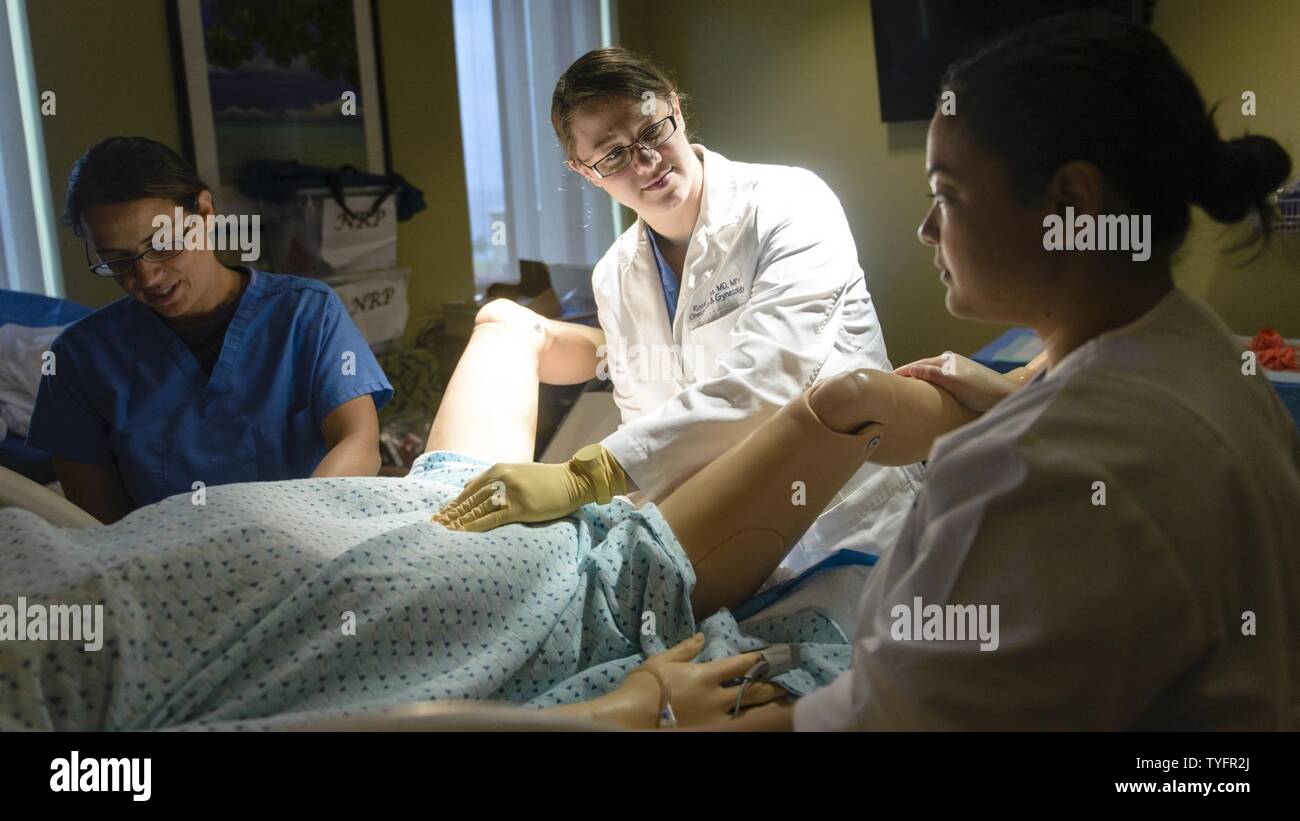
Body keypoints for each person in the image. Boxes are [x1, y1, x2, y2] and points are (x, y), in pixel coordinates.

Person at [435, 48, 926, 583]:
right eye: (613, 156)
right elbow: (649, 424)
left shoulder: (789, 202)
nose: (646, 162)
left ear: (674, 106)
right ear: (585, 172)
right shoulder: (614, 276)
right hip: (724, 547)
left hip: (851, 525)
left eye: (652, 130)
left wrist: (587, 475)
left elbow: (770, 378)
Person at [26, 137, 392, 524]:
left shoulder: (306, 314)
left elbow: (359, 444)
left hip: (304, 539)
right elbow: (97, 525)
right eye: (117, 259)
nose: (147, 277)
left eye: (163, 244)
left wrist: (291, 527)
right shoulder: (79, 360)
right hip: (165, 557)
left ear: (204, 212)